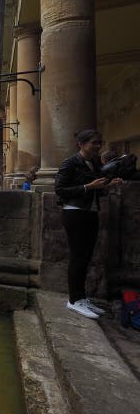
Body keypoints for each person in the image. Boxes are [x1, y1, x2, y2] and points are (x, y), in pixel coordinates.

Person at [55, 129, 122, 319]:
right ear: (81, 144)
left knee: (86, 257)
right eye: (94, 143)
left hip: (90, 211)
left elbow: (96, 191)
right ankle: (74, 300)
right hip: (74, 213)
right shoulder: (70, 162)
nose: (98, 146)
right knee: (78, 257)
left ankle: (81, 297)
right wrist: (88, 187)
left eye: (99, 143)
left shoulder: (93, 163)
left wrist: (107, 186)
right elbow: (60, 190)